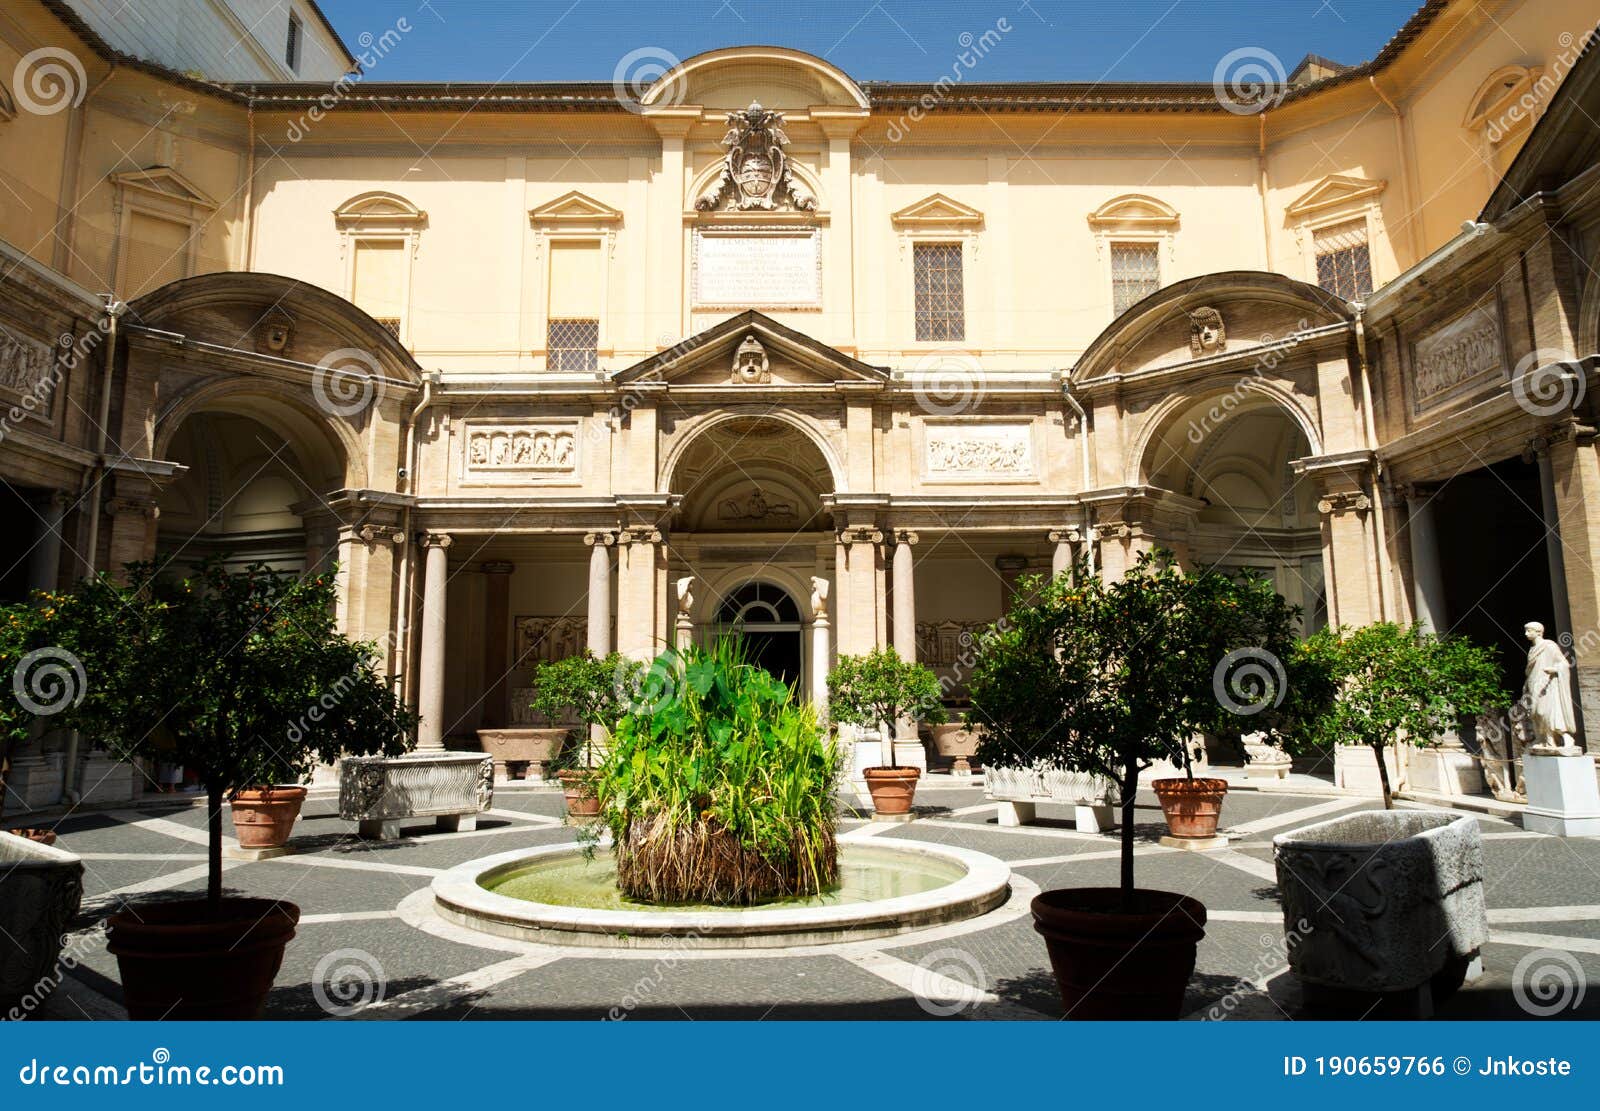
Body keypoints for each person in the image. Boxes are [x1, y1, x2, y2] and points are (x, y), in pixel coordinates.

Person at [1522, 621, 1580, 751]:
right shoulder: (1532, 650)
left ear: (1538, 632)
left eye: (1529, 630)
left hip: (1547, 685)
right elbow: (1530, 670)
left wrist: (1554, 669)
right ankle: (1547, 741)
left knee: (1545, 712)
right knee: (1536, 713)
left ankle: (1566, 737)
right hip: (1534, 685)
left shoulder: (1549, 646)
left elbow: (1564, 663)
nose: (1526, 633)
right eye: (1526, 631)